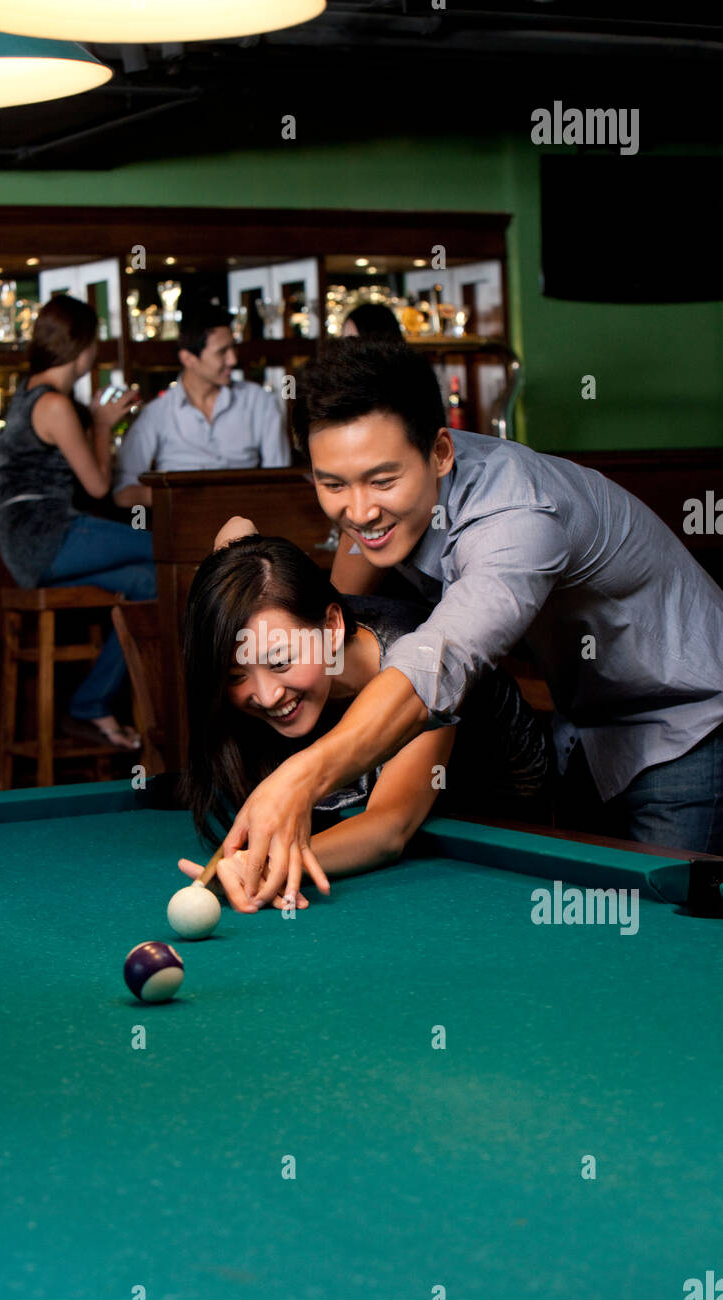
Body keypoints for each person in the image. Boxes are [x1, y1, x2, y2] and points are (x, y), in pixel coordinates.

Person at [218, 338, 723, 908]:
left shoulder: (517, 519)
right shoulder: (390, 507)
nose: (358, 511)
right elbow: (338, 600)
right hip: (583, 730)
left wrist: (302, 778)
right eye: (333, 484)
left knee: (661, 937)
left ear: (440, 452)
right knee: (595, 930)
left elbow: (439, 661)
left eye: (382, 481)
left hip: (684, 725)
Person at [177, 529, 553, 911]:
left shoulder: (421, 675)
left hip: (502, 835)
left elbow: (388, 828)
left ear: (332, 627)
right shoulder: (271, 619)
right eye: (237, 676)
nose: (267, 694)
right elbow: (235, 531)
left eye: (280, 662)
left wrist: (267, 864)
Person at [0, 294, 155, 752]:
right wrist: (103, 425)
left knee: (149, 580)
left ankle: (90, 704)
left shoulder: (28, 395)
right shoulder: (56, 406)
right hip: (47, 535)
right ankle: (165, 708)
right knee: (163, 548)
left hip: (29, 542)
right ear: (82, 347)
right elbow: (99, 487)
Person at [113, 306, 290, 512]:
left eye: (233, 348)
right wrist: (184, 496)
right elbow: (123, 493)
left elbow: (281, 481)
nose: (232, 360)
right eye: (222, 352)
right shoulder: (156, 413)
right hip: (182, 525)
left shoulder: (260, 401)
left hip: (247, 521)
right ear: (188, 358)